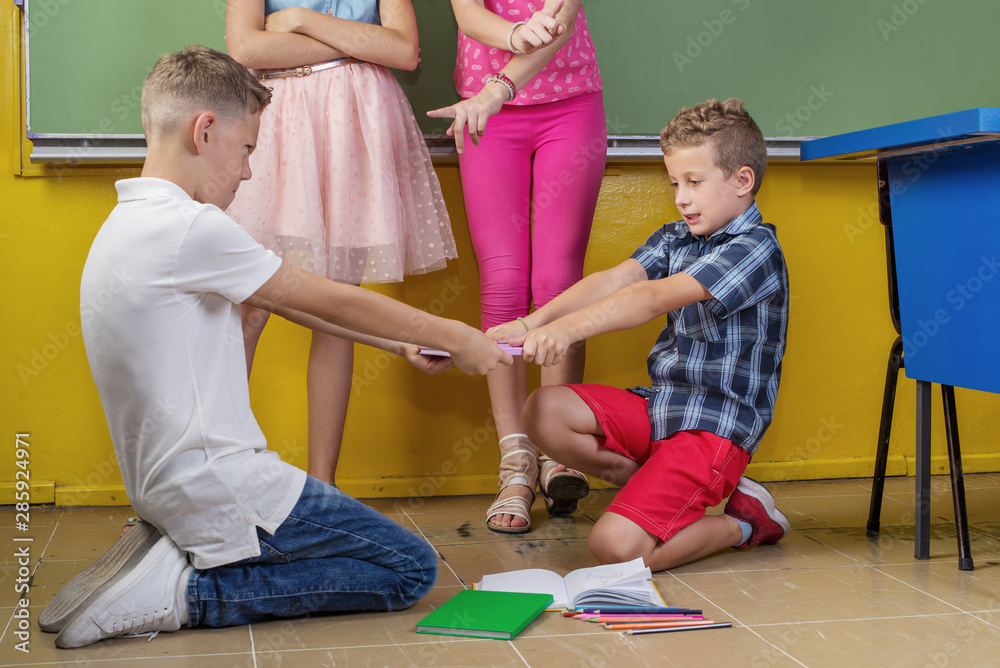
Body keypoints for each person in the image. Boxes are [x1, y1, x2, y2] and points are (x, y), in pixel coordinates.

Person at [40, 46, 511, 649]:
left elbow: (280, 303)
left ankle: (175, 553)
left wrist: (397, 344)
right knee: (408, 569)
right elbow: (328, 297)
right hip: (227, 484)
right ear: (204, 131)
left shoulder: (129, 222)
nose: (247, 172)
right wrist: (456, 335)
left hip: (166, 486)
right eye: (247, 150)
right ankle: (187, 593)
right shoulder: (192, 228)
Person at [502, 98, 791, 571]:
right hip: (664, 408)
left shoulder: (756, 249)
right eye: (675, 182)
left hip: (713, 430)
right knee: (544, 409)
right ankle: (649, 488)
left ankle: (746, 522)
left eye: (694, 183)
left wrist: (568, 329)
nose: (681, 196)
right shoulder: (676, 237)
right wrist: (530, 324)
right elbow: (616, 281)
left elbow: (650, 299)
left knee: (615, 549)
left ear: (742, 181)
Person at [224, 0, 458, 485]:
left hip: (358, 122)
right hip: (281, 124)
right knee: (248, 304)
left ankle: (323, 488)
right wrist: (355, 45)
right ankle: (219, 473)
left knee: (337, 311)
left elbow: (402, 49)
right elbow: (247, 46)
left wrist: (300, 21)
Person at [427, 0, 606, 534]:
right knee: (503, 283)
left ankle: (559, 449)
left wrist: (499, 84)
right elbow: (469, 17)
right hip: (486, 113)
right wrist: (515, 35)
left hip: (567, 104)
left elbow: (559, 24)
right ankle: (517, 462)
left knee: (557, 283)